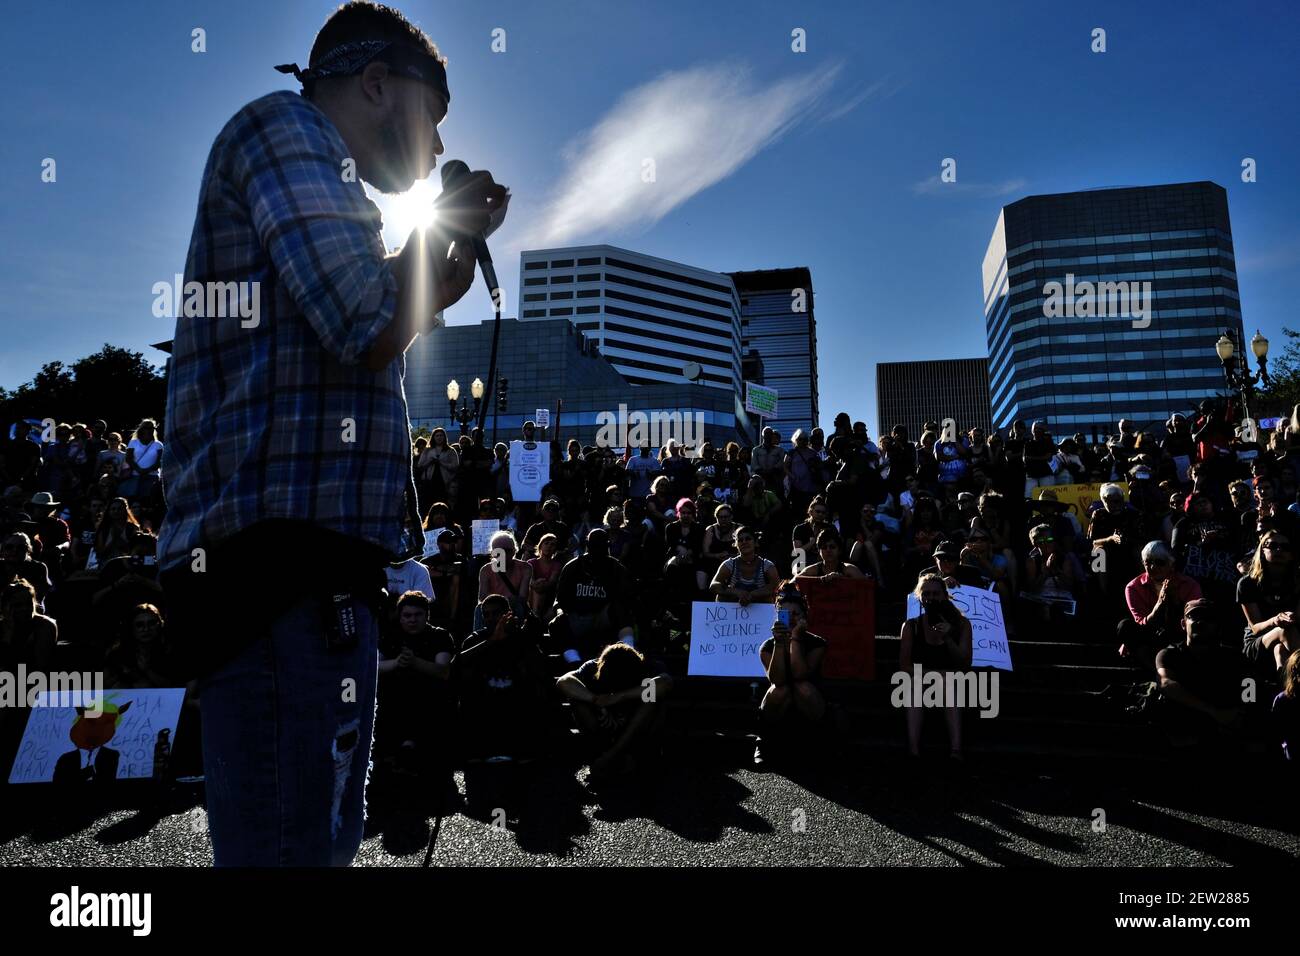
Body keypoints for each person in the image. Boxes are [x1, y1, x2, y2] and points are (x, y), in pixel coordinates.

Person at [157, 1, 510, 867]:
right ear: (377, 83)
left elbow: (367, 311)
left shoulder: (330, 179)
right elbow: (362, 314)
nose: (434, 148)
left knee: (316, 844)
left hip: (315, 576)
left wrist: (447, 258)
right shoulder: (280, 129)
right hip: (277, 574)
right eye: (435, 116)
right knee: (292, 850)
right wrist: (446, 259)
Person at [557, 642, 673, 783]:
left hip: (637, 733)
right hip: (603, 727)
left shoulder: (648, 666)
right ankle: (604, 752)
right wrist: (595, 700)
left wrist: (620, 696)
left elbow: (665, 683)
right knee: (577, 698)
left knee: (651, 698)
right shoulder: (593, 666)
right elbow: (563, 682)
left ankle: (617, 755)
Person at [376, 591, 455, 776]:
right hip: (393, 700)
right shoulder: (390, 637)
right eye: (407, 615)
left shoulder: (440, 636)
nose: (412, 620)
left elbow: (443, 670)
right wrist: (396, 663)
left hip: (429, 700)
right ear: (400, 616)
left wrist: (414, 662)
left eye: (418, 615)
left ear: (427, 615)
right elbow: (374, 667)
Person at [753, 582, 828, 769]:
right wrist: (780, 643)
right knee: (779, 689)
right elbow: (777, 679)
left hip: (808, 704)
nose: (792, 619)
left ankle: (818, 744)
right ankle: (763, 742)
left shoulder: (817, 643)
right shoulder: (767, 646)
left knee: (802, 687)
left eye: (796, 614)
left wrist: (795, 638)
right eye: (786, 615)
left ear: (804, 616)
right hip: (781, 703)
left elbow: (800, 674)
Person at [899, 573, 973, 759]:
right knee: (915, 689)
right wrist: (935, 675)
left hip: (953, 681)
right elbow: (904, 666)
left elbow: (965, 663)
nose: (931, 598)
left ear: (944, 595)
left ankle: (956, 750)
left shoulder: (962, 624)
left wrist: (948, 637)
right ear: (920, 597)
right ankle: (913, 751)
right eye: (926, 594)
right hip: (922, 679)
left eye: (935, 594)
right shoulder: (911, 626)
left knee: (949, 687)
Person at [1154, 599, 1248, 745]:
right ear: (1183, 624)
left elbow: (1251, 682)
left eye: (1208, 618)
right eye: (1193, 617)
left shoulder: (1233, 657)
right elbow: (1165, 683)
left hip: (1228, 727)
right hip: (1187, 727)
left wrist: (1243, 711)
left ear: (1217, 625)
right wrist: (1214, 712)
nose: (1200, 622)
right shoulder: (1169, 655)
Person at [1118, 541, 1203, 675]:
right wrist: (1160, 604)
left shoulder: (1189, 585)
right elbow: (1141, 623)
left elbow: (1193, 620)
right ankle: (1158, 673)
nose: (1153, 567)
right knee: (1125, 626)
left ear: (1171, 564)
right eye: (1148, 562)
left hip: (1178, 634)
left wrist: (1175, 601)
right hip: (1151, 633)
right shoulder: (1134, 587)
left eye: (1160, 562)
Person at [550, 528, 634, 663]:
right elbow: (559, 600)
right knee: (557, 623)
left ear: (607, 547)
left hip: (602, 618)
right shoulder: (572, 567)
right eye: (594, 545)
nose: (597, 550)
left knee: (620, 609)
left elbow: (626, 599)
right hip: (578, 618)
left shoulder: (616, 568)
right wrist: (561, 613)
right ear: (587, 545)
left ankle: (630, 652)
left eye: (601, 546)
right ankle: (573, 661)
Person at [1237, 530, 1300, 680]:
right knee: (1284, 631)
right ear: (1262, 550)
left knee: (1280, 651)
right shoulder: (1247, 584)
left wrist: (1293, 617)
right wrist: (1275, 620)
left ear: (1292, 554)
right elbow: (1256, 628)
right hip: (1258, 642)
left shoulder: (1298, 582)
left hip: (1291, 638)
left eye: (1285, 547)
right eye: (1272, 545)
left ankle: (1287, 693)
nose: (1279, 550)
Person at [711, 526, 779, 604]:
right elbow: (714, 585)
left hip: (759, 608)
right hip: (734, 608)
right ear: (736, 545)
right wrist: (736, 592)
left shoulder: (767, 565)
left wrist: (752, 595)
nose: (744, 542)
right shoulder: (729, 564)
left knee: (769, 598)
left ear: (756, 542)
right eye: (740, 540)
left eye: (748, 539)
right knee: (720, 597)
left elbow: (777, 586)